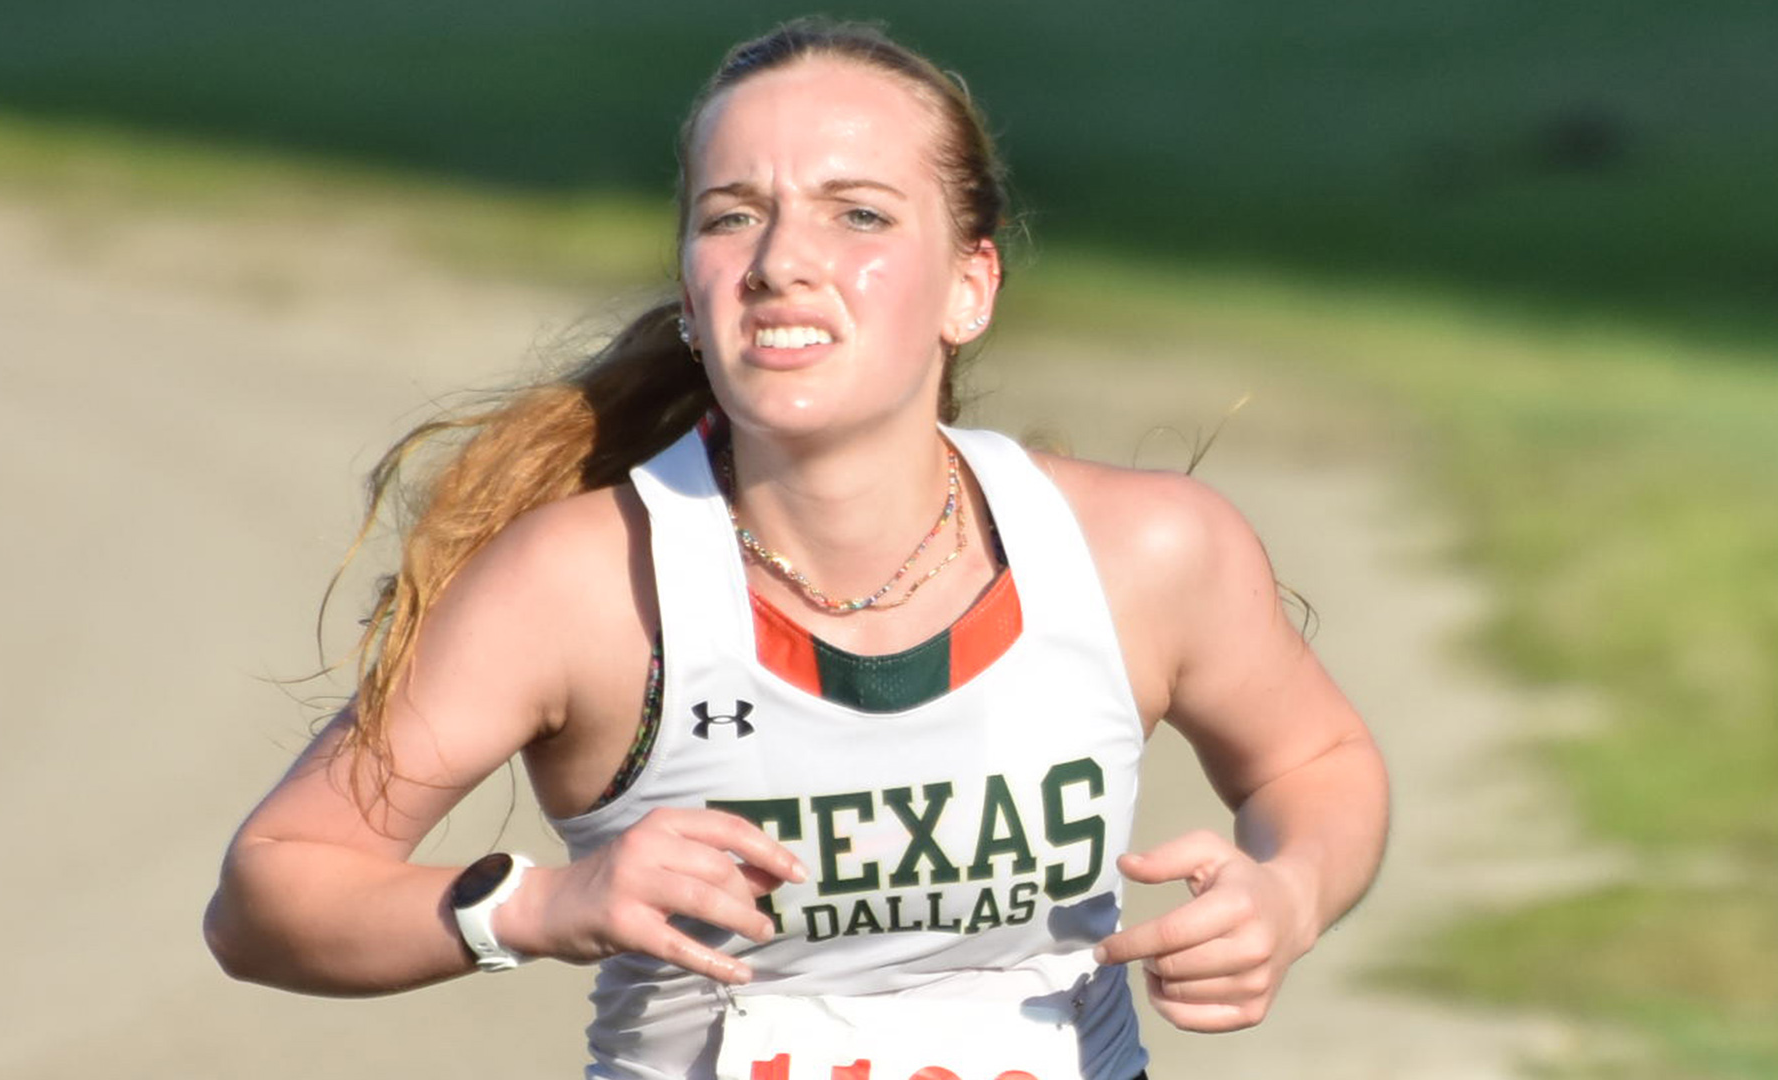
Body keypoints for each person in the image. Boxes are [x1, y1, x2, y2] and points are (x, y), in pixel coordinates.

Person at [204, 18, 1388, 1080]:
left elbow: (1318, 763)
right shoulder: (582, 586)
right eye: (733, 216)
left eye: (859, 213)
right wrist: (540, 906)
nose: (781, 259)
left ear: (970, 285)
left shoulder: (1142, 551)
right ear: (691, 286)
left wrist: (1286, 895)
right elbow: (270, 893)